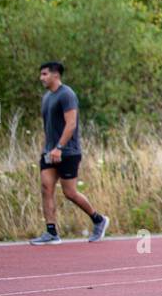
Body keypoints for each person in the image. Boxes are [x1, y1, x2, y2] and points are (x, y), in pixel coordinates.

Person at [29, 62, 109, 244]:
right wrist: (49, 148)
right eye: (41, 74)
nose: (41, 78)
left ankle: (99, 220)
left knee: (70, 192)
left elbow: (71, 123)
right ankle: (51, 232)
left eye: (44, 74)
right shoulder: (47, 97)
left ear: (55, 75)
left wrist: (59, 147)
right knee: (46, 188)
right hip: (49, 152)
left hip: (68, 152)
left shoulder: (67, 95)